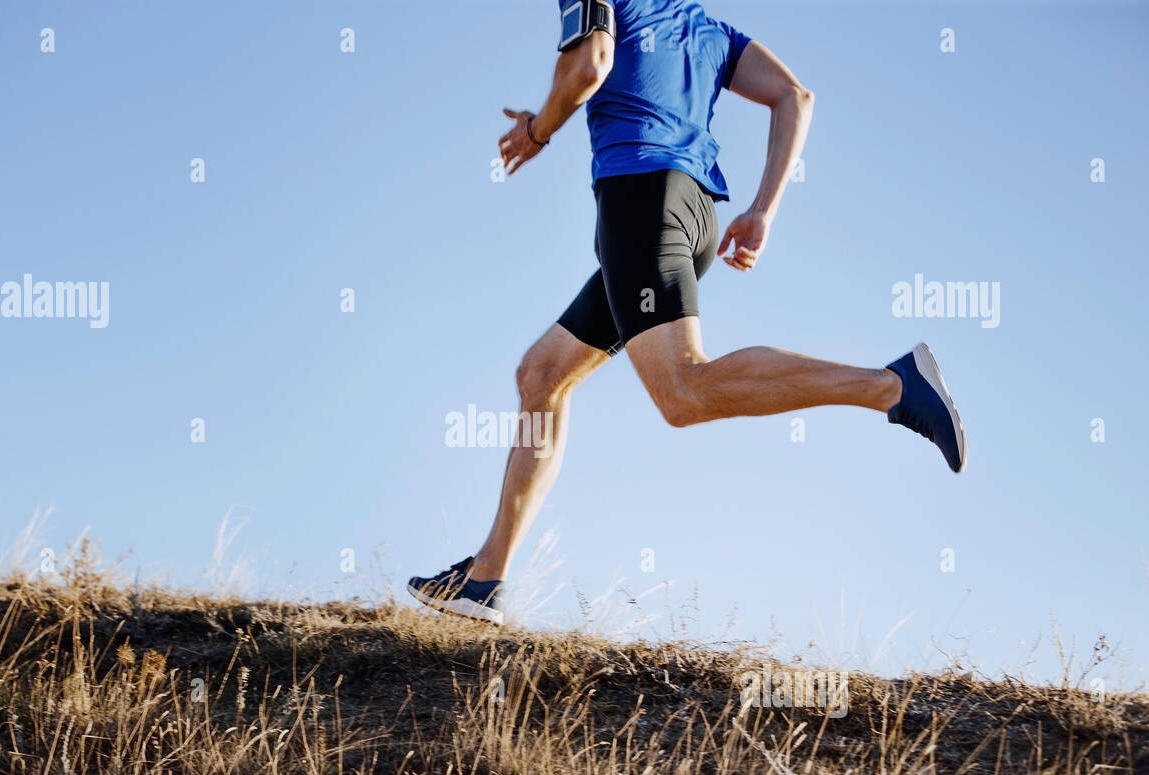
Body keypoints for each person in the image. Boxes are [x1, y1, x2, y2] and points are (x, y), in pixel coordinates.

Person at [408, 0, 966, 626]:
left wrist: (537, 132)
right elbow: (796, 96)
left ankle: (892, 386)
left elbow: (588, 66)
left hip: (643, 201)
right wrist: (763, 211)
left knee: (683, 391)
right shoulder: (706, 28)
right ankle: (485, 580)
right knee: (542, 375)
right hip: (690, 212)